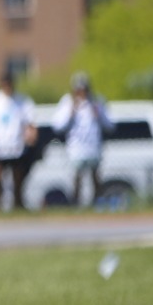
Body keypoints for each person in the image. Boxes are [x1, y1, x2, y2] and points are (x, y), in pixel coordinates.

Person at [52, 72, 111, 207]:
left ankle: (98, 203)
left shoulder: (96, 101)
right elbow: (58, 126)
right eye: (79, 89)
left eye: (84, 89)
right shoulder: (67, 102)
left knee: (95, 176)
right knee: (76, 177)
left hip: (93, 147)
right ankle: (75, 203)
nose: (81, 92)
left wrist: (99, 115)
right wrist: (70, 112)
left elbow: (109, 125)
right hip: (76, 148)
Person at [0, 69, 36, 210]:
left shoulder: (22, 100)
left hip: (16, 146)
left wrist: (30, 135)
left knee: (17, 178)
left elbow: (30, 123)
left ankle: (17, 203)